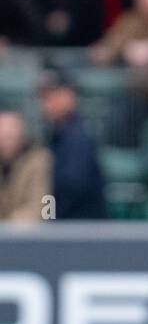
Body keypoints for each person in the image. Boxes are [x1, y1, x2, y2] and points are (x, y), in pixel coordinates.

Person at [37, 72, 106, 220]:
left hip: (83, 228)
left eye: (52, 96)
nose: (47, 104)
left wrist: (46, 219)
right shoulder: (57, 133)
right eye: (44, 98)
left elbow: (72, 187)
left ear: (69, 95)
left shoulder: (79, 136)